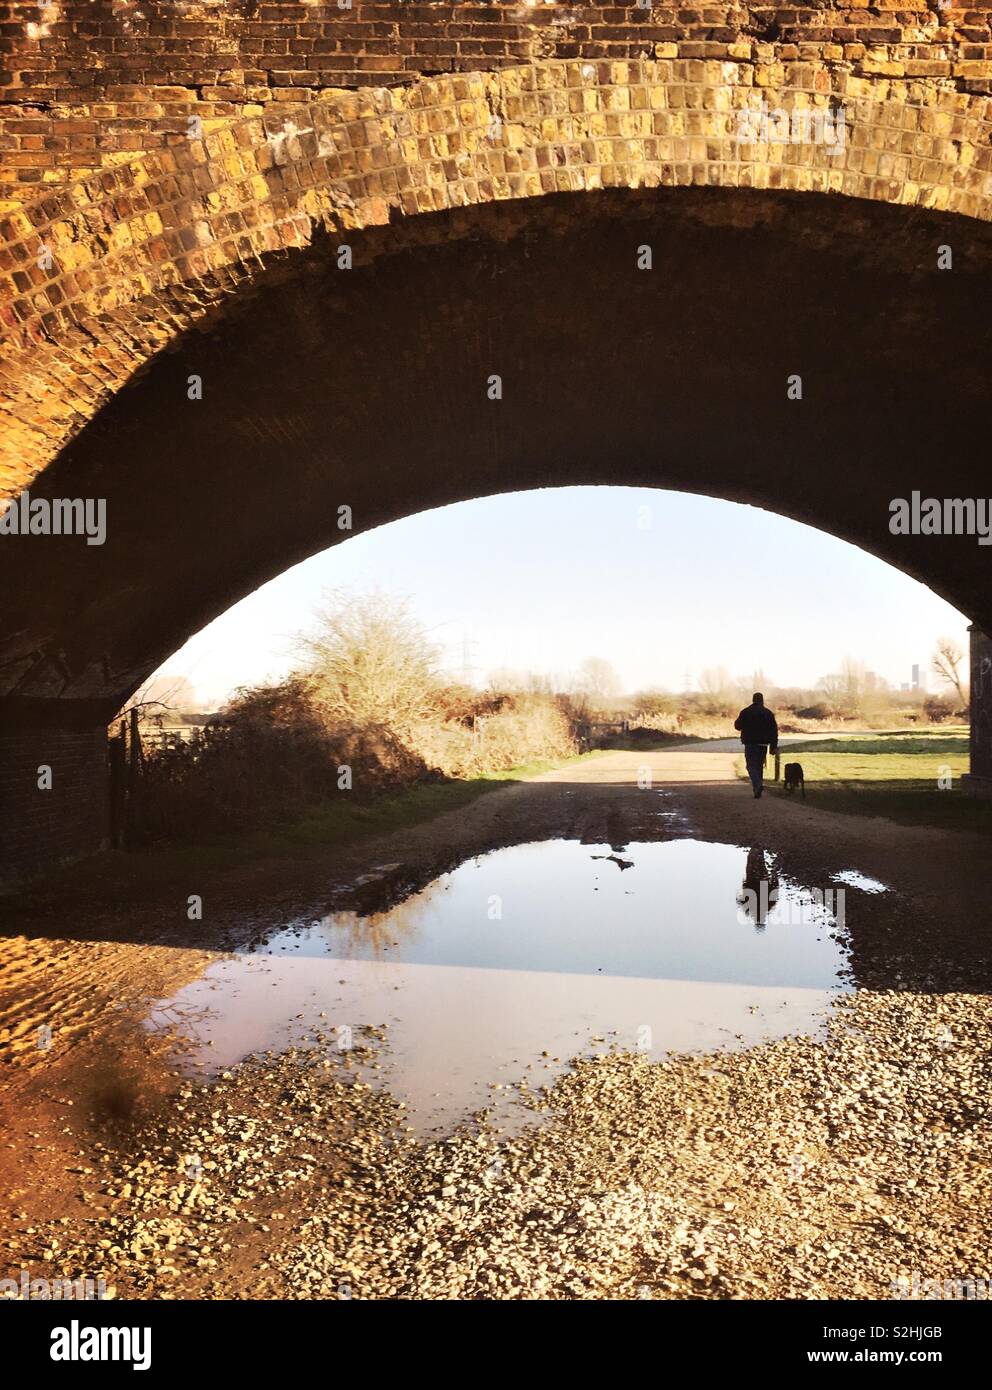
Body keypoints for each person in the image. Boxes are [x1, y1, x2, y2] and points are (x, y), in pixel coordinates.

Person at [734, 692, 778, 799]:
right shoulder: (768, 713)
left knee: (750, 766)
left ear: (753, 700)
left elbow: (737, 726)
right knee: (759, 766)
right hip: (763, 744)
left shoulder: (746, 712)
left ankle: (757, 785)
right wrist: (773, 747)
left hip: (750, 743)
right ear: (762, 700)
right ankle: (757, 788)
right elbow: (774, 731)